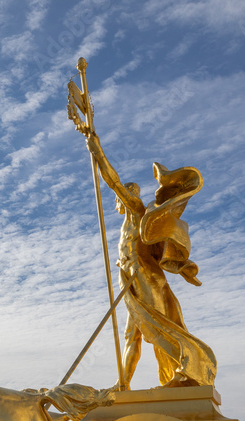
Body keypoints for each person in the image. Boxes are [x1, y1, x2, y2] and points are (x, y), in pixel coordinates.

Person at [79, 126, 217, 390]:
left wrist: (96, 150)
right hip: (131, 278)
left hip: (144, 276)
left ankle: (185, 371)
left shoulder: (136, 211)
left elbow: (113, 181)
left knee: (160, 327)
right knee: (133, 334)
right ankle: (122, 385)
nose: (119, 201)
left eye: (125, 195)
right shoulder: (132, 222)